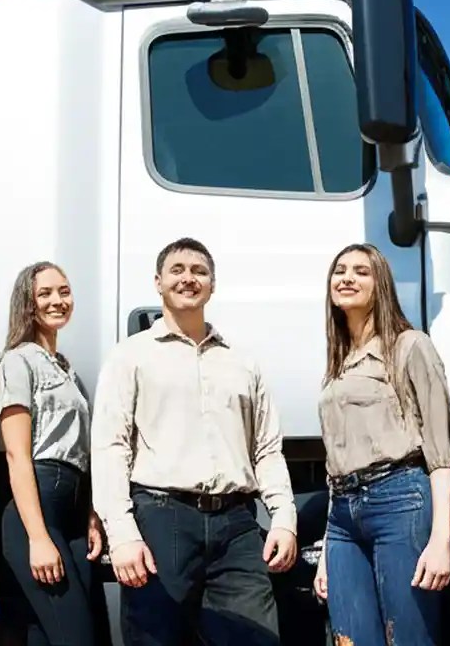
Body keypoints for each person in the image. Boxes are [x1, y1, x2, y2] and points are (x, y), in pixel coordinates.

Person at [92, 237, 298, 646]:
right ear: (158, 282)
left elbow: (267, 449)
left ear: (212, 285)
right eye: (178, 270)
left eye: (199, 271)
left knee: (257, 639)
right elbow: (110, 447)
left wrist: (284, 518)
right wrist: (123, 534)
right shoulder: (129, 356)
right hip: (161, 520)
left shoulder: (242, 362)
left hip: (238, 526)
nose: (188, 278)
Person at [311, 244, 450, 645]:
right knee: (349, 640)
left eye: (361, 271)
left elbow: (441, 453)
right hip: (342, 514)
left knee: (408, 637)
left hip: (401, 498)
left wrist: (440, 539)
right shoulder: (337, 365)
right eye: (339, 270)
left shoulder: (409, 346)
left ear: (381, 284)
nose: (347, 278)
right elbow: (334, 465)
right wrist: (326, 551)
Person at [0, 261, 108, 646]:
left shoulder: (66, 370)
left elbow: (80, 454)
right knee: (77, 637)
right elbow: (17, 456)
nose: (58, 300)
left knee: (52, 633)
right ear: (28, 303)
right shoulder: (18, 361)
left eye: (64, 291)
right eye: (46, 293)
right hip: (35, 510)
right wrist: (37, 538)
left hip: (71, 509)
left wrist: (89, 514)